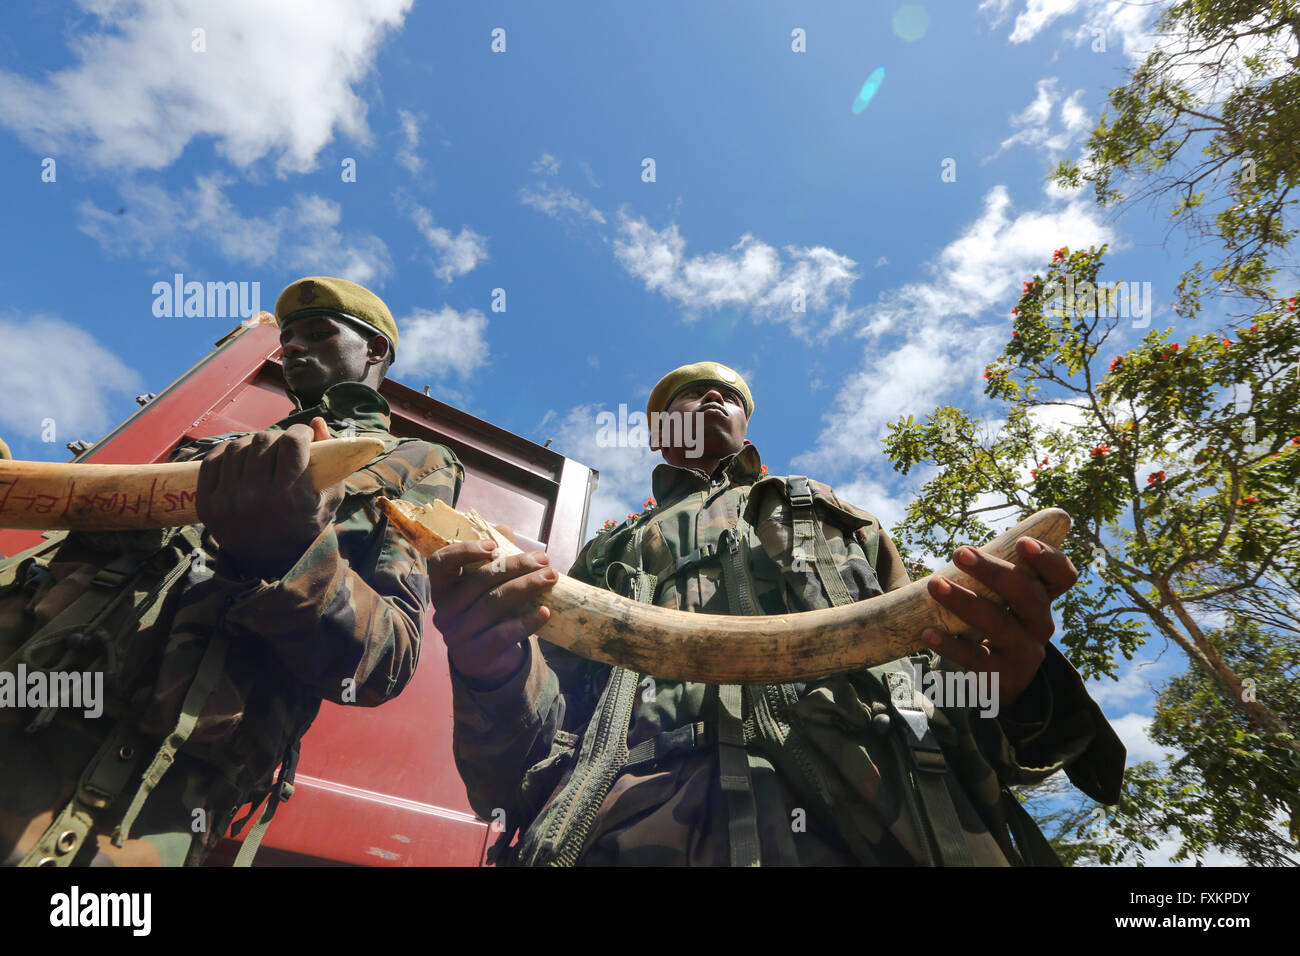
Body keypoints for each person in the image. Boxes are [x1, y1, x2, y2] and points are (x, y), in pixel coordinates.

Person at [439, 361, 1123, 865]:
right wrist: (489, 674)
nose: (710, 396)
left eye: (727, 395)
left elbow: (933, 675)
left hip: (892, 829)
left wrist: (1018, 690)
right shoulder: (603, 557)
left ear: (744, 424)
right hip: (628, 836)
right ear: (657, 435)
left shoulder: (833, 515)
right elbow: (517, 771)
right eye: (685, 395)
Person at [0, 276, 463, 866]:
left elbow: (385, 661)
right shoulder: (214, 448)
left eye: (317, 333)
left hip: (146, 792)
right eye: (287, 337)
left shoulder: (413, 462)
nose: (291, 346)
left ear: (375, 351)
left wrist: (290, 554)